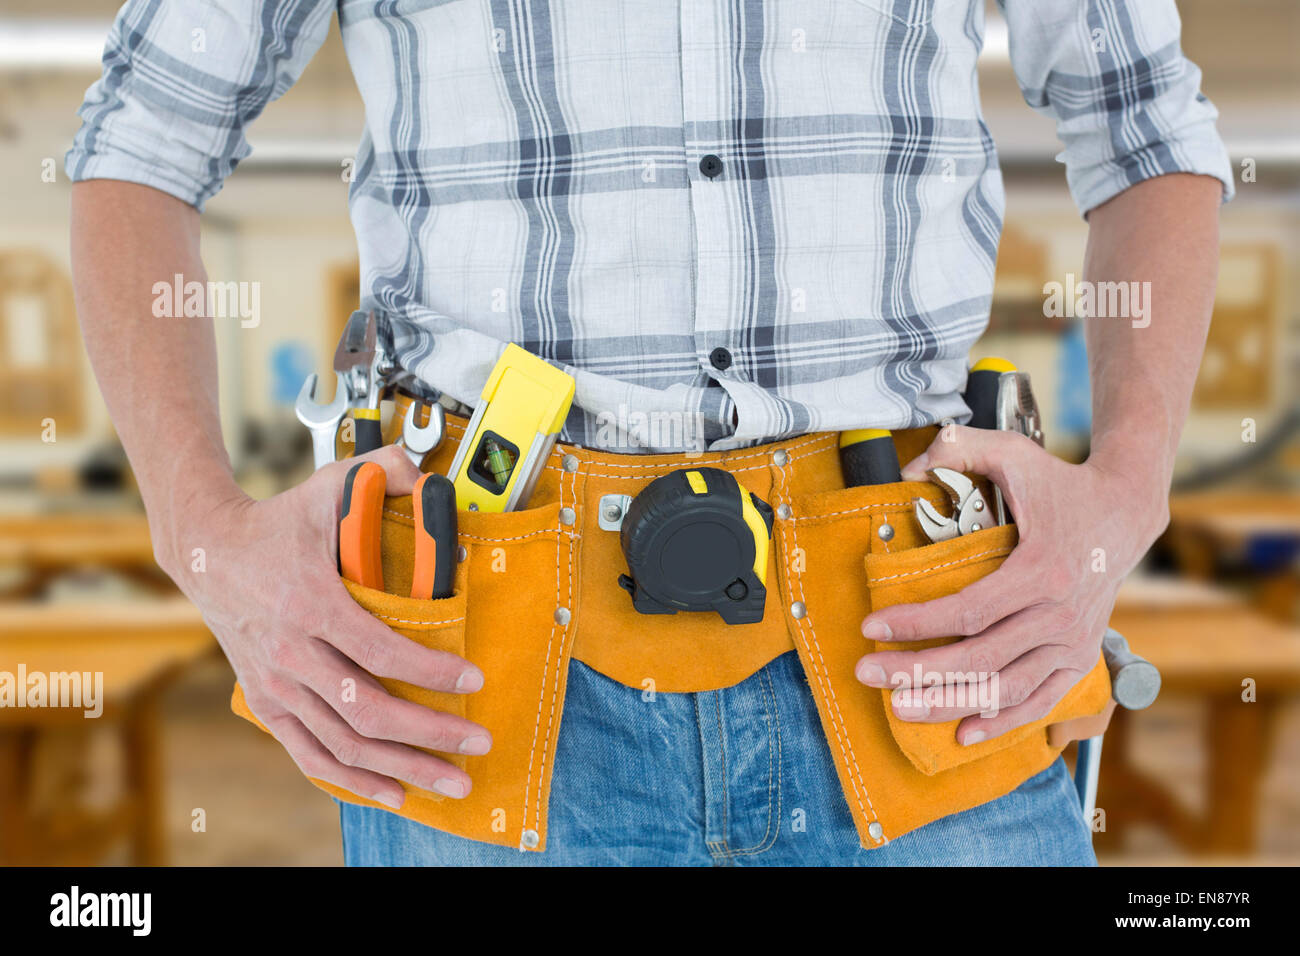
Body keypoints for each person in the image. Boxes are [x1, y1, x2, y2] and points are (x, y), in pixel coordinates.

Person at [68, 0, 1231, 866]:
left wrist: (1128, 489)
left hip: (929, 637)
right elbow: (137, 141)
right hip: (478, 664)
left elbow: (1144, 126)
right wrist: (203, 535)